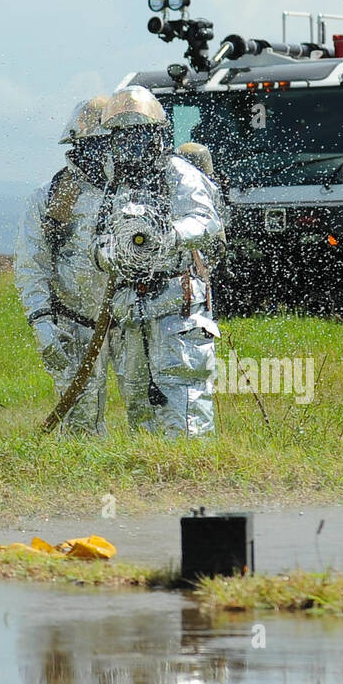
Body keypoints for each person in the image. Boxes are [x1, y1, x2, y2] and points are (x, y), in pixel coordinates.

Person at [96, 86, 224, 437]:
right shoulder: (116, 186)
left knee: (183, 394)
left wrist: (168, 236)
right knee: (137, 397)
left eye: (138, 137)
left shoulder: (180, 174)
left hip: (176, 303)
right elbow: (100, 240)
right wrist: (113, 254)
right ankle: (149, 471)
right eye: (123, 139)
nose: (131, 147)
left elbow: (206, 221)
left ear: (156, 136)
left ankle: (188, 473)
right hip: (132, 310)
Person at [16, 96, 114, 434]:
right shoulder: (49, 197)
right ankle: (81, 484)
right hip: (74, 323)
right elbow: (32, 267)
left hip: (137, 324)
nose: (102, 153)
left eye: (108, 142)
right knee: (81, 419)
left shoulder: (139, 192)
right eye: (95, 143)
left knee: (153, 410)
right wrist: (42, 325)